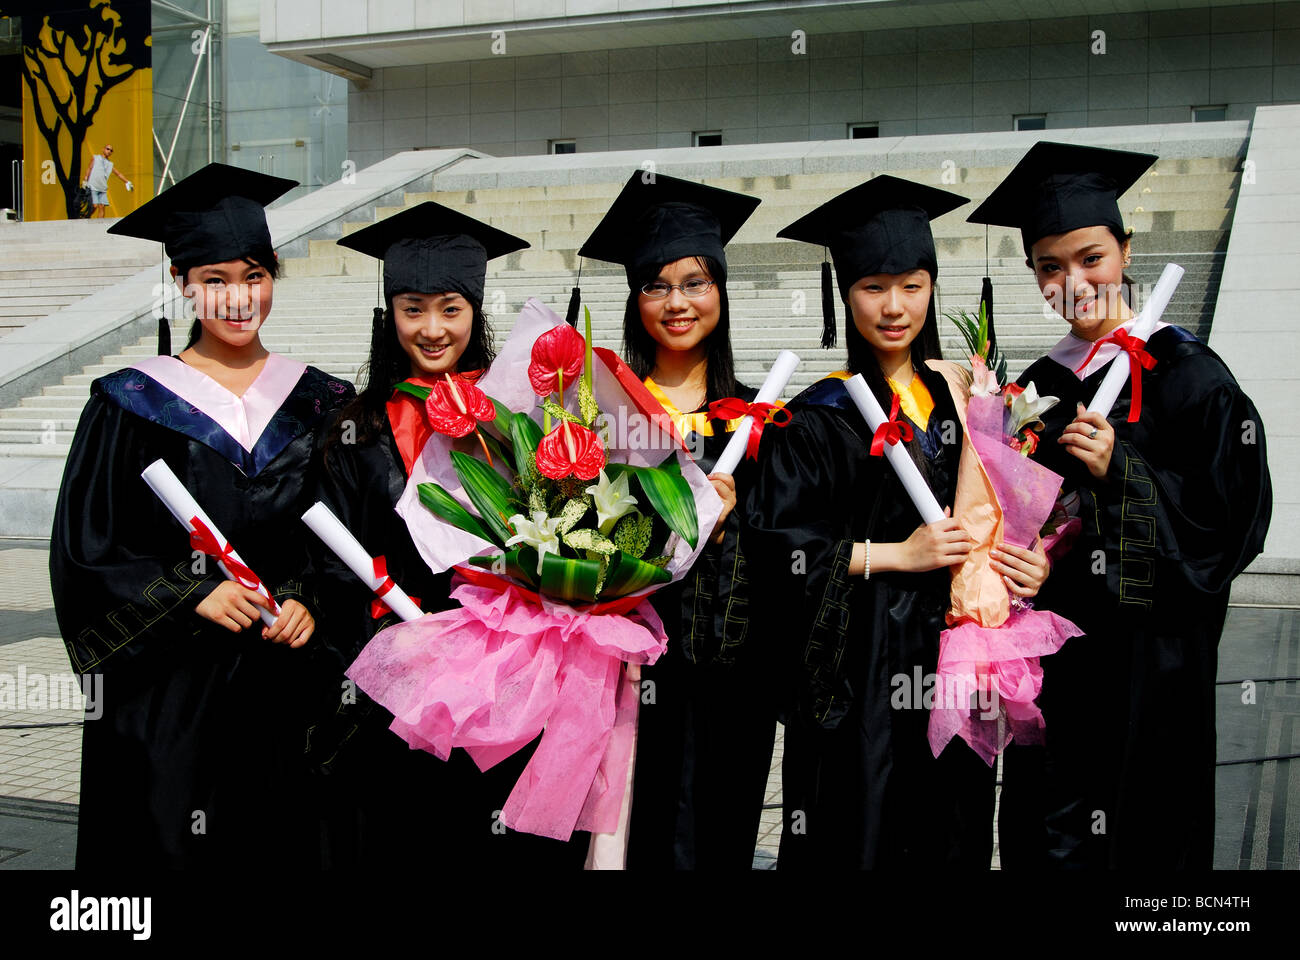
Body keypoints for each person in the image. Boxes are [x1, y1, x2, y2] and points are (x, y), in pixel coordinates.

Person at [968, 141, 1272, 869]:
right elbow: (1024, 517)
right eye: (1049, 266)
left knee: (1143, 837)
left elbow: (1232, 527)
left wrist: (1125, 469)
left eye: (1090, 258)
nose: (1072, 282)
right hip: (1063, 662)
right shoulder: (1040, 384)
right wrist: (1028, 560)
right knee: (1051, 829)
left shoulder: (1192, 376)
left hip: (1151, 670)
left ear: (1125, 247)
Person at [49, 162, 355, 868]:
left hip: (284, 686)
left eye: (253, 275)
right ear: (183, 284)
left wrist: (309, 597)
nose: (238, 298)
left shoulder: (319, 402)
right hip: (171, 694)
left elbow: (339, 537)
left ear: (274, 274)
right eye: (214, 280)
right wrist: (192, 591)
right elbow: (86, 552)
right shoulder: (130, 403)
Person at [745, 175, 1049, 870]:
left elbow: (1004, 515)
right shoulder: (818, 417)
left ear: (932, 288)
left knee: (951, 824)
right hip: (861, 666)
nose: (893, 307)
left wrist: (1027, 563)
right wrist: (895, 555)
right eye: (872, 288)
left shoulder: (965, 401)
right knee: (861, 826)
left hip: (952, 656)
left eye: (911, 285)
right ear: (843, 295)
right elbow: (775, 549)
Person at [307, 201, 585, 869]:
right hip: (400, 687)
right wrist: (399, 638)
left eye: (450, 310)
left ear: (475, 313)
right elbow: (330, 570)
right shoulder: (357, 431)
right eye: (413, 309)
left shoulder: (518, 418)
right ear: (390, 314)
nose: (432, 329)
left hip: (510, 682)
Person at [575, 171, 776, 870]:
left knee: (718, 833)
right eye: (656, 285)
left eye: (695, 282)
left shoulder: (765, 419)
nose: (677, 302)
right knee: (628, 837)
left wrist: (737, 518)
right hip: (629, 668)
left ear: (719, 292)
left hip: (732, 677)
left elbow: (791, 550)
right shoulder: (603, 413)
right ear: (635, 300)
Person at [81, 143, 132, 218]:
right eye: (107, 149)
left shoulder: (110, 164)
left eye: (111, 150)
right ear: (103, 149)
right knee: (94, 206)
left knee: (102, 207)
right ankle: (86, 217)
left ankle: (100, 225)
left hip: (102, 188)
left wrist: (127, 182)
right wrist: (85, 179)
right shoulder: (95, 158)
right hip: (93, 186)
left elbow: (118, 174)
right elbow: (89, 168)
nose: (109, 151)